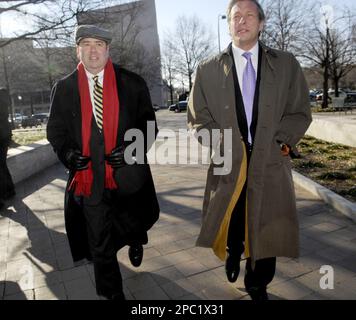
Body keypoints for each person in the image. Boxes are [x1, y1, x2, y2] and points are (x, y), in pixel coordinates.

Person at [187, 0, 312, 301]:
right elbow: (197, 118)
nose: (241, 21)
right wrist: (220, 143)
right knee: (233, 218)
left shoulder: (286, 64)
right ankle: (233, 252)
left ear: (261, 22)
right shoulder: (207, 69)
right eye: (235, 16)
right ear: (228, 23)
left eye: (249, 15)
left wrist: (282, 142)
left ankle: (258, 284)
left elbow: (299, 112)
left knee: (267, 226)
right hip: (231, 163)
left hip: (269, 164)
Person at [47, 25, 160, 300]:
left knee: (131, 223)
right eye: (86, 44)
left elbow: (149, 126)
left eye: (98, 44)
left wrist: (133, 150)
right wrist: (68, 155)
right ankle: (113, 294)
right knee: (99, 242)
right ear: (78, 50)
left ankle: (135, 239)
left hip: (127, 177)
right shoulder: (63, 88)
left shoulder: (131, 83)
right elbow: (56, 131)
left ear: (108, 49)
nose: (93, 50)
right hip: (89, 181)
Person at [0, 88, 15, 210]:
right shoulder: (3, 95)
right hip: (4, 134)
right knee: (2, 164)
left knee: (1, 165)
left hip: (1, 135)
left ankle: (6, 192)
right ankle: (9, 190)